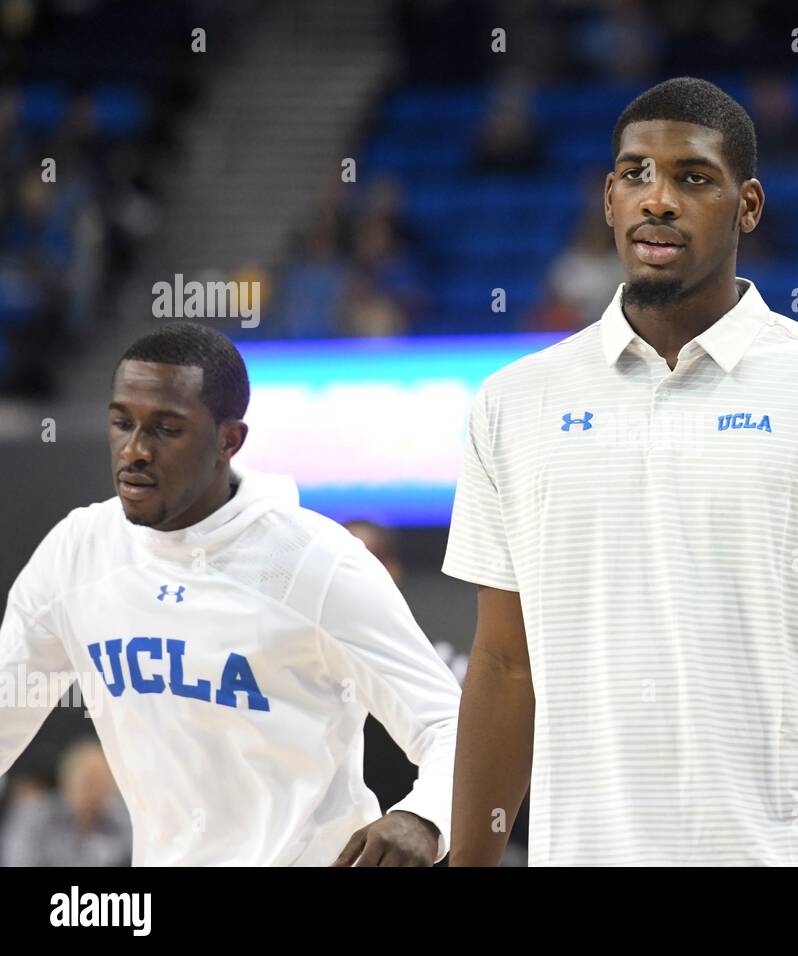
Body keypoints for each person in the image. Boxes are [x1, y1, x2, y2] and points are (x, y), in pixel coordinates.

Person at [445, 77, 798, 866]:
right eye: (636, 175)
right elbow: (505, 667)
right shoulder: (514, 404)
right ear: (608, 198)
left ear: (747, 207)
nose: (659, 199)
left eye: (693, 178)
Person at [0, 322, 461, 865]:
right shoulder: (77, 553)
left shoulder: (317, 562)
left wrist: (426, 814)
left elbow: (448, 722)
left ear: (229, 440)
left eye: (166, 429)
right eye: (122, 423)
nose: (135, 450)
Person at [0, 738, 131, 867]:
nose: (93, 793)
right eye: (87, 783)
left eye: (102, 785)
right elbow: (17, 861)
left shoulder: (123, 824)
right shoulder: (36, 816)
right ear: (67, 780)